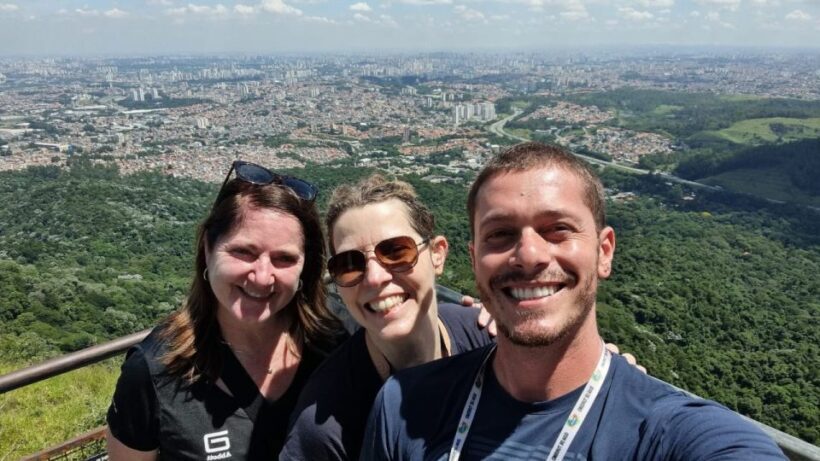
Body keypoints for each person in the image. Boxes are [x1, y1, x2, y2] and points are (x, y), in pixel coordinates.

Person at [361, 142, 786, 460]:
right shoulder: (405, 406)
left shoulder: (665, 433)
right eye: (500, 234)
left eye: (557, 229)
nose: (529, 255)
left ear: (604, 252)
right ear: (475, 261)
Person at [105, 161, 348, 460]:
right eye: (243, 252)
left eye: (283, 258)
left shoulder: (338, 333)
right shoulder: (156, 371)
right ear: (208, 249)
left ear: (305, 266)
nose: (262, 276)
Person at [279, 175, 494, 461]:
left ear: (437, 255)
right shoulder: (326, 426)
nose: (375, 278)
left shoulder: (489, 340)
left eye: (395, 251)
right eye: (350, 264)